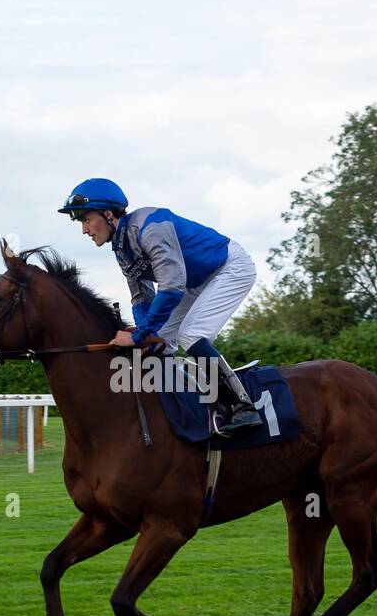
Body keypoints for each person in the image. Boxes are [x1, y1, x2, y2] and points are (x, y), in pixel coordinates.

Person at [58, 178, 262, 435]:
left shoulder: (151, 227)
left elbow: (171, 288)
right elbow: (141, 298)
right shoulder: (121, 248)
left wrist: (140, 335)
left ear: (108, 214)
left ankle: (242, 406)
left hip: (229, 268)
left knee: (191, 335)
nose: (85, 230)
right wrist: (145, 335)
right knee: (160, 343)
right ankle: (175, 412)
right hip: (193, 282)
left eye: (86, 220)